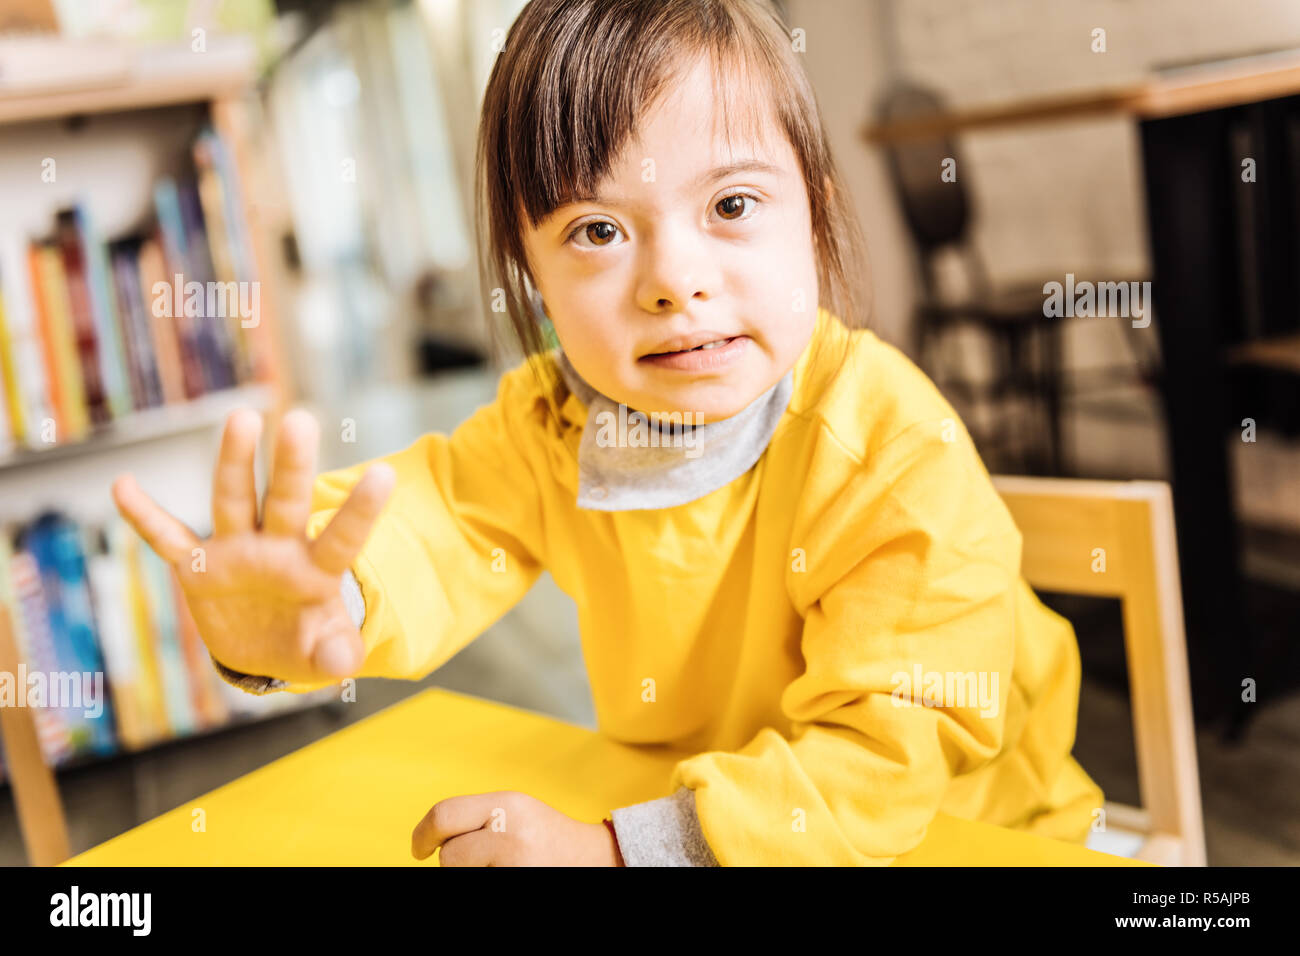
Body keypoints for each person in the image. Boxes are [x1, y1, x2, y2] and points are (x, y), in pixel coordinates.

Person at [113, 0, 1103, 866]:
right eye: (596, 229)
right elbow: (439, 518)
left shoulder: (894, 450)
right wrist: (318, 600)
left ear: (814, 216)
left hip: (961, 838)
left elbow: (884, 766)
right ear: (530, 277)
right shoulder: (556, 423)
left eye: (731, 204)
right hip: (699, 828)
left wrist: (620, 849)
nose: (673, 278)